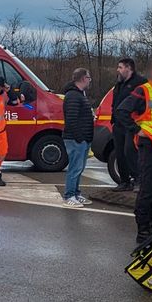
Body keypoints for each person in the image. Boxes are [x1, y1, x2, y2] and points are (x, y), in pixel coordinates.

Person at [115, 55, 152, 254]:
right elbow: (122, 111)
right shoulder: (144, 90)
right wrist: (135, 129)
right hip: (148, 145)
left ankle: (151, 225)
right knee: (148, 190)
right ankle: (143, 231)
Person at [111, 58, 147, 192]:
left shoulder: (140, 83)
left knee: (130, 152)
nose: (117, 70)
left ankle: (138, 180)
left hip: (132, 124)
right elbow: (115, 103)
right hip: (119, 124)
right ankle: (124, 181)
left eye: (120, 67)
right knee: (119, 154)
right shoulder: (119, 84)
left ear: (129, 68)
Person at [61, 68, 94, 207]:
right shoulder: (73, 96)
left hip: (82, 138)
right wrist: (80, 137)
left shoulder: (80, 94)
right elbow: (71, 119)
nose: (89, 80)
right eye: (88, 77)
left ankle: (76, 193)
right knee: (75, 168)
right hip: (76, 139)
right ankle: (69, 195)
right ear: (82, 78)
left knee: (79, 168)